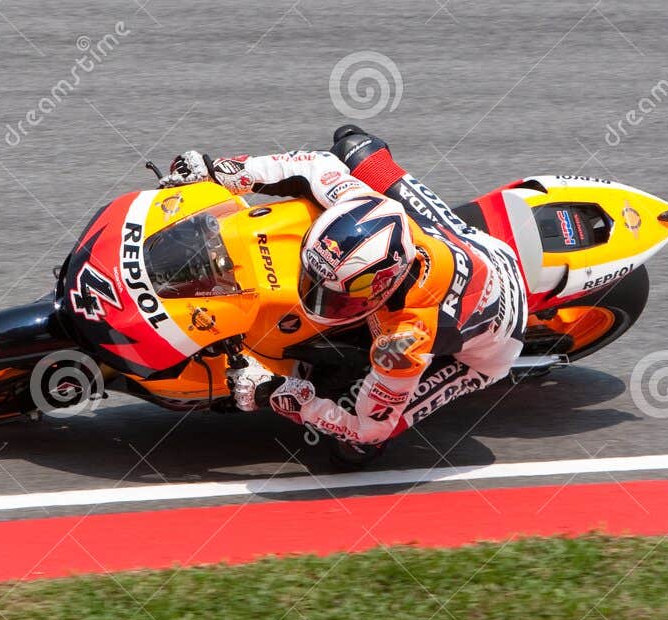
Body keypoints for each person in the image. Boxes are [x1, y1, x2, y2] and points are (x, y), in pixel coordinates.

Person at [158, 127, 527, 449]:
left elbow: (370, 428)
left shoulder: (403, 341)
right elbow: (314, 165)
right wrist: (225, 172)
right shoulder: (365, 205)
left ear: (383, 286)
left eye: (334, 295)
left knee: (358, 444)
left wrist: (276, 395)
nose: (317, 298)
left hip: (494, 344)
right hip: (470, 243)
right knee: (352, 145)